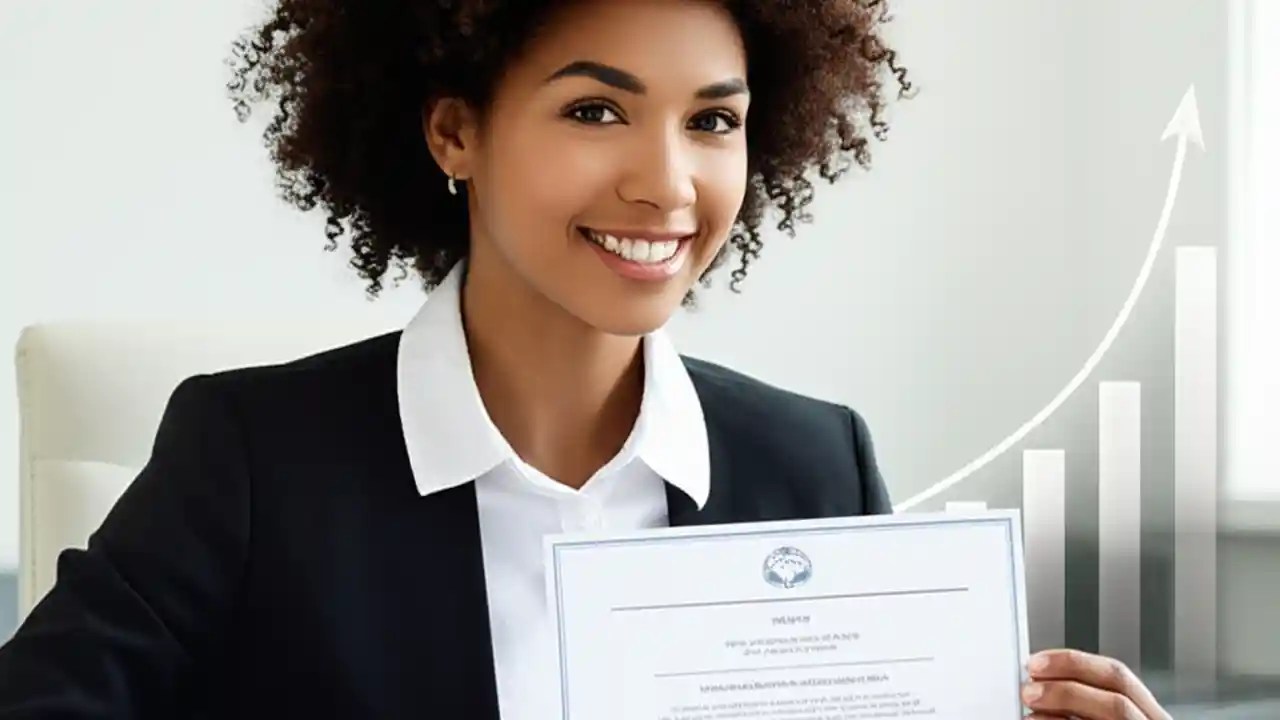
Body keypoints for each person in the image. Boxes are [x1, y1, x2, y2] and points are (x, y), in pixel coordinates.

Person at [0, 1, 1172, 718]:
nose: (667, 182)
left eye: (711, 121)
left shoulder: (815, 460)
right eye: (596, 112)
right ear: (453, 130)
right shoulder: (251, 457)